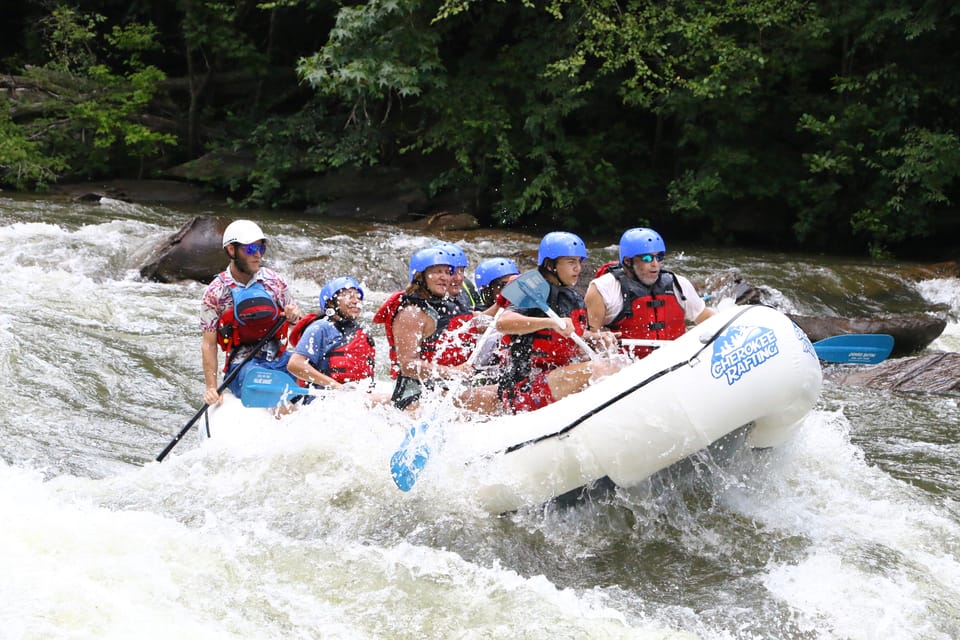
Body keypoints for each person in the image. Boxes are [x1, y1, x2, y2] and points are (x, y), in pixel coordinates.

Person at [496, 231, 624, 413]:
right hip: (524, 388)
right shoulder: (534, 290)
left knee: (620, 363)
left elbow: (571, 336)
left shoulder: (572, 296)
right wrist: (550, 322)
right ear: (550, 264)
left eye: (580, 261)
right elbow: (503, 323)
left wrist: (595, 337)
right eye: (571, 262)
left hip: (556, 377)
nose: (578, 268)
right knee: (598, 369)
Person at [373, 245, 499, 413]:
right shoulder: (411, 313)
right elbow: (408, 365)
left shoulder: (444, 306)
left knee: (505, 390)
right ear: (420, 275)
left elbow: (482, 322)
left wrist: (506, 303)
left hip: (442, 389)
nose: (445, 277)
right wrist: (453, 371)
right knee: (499, 397)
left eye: (447, 272)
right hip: (416, 397)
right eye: (438, 271)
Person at [200, 219, 301, 405]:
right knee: (261, 380)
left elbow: (297, 324)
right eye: (249, 249)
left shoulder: (273, 281)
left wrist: (294, 315)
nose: (257, 255)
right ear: (231, 250)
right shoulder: (215, 293)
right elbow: (209, 344)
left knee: (311, 372)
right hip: (243, 366)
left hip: (278, 358)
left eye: (260, 249)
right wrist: (211, 388)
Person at [584, 227, 716, 359]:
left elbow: (705, 317)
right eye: (647, 258)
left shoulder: (679, 284)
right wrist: (600, 337)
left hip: (676, 360)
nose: (655, 264)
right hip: (628, 365)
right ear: (627, 261)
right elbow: (587, 337)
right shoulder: (602, 289)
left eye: (659, 257)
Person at [287, 276, 378, 393]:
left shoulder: (361, 333)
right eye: (349, 296)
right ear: (331, 303)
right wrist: (336, 386)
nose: (356, 301)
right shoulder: (320, 327)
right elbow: (294, 364)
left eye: (358, 297)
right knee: (400, 403)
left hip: (352, 400)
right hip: (323, 400)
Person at [434, 241, 482, 311]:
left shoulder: (466, 285)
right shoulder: (425, 305)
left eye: (461, 271)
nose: (458, 278)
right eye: (451, 272)